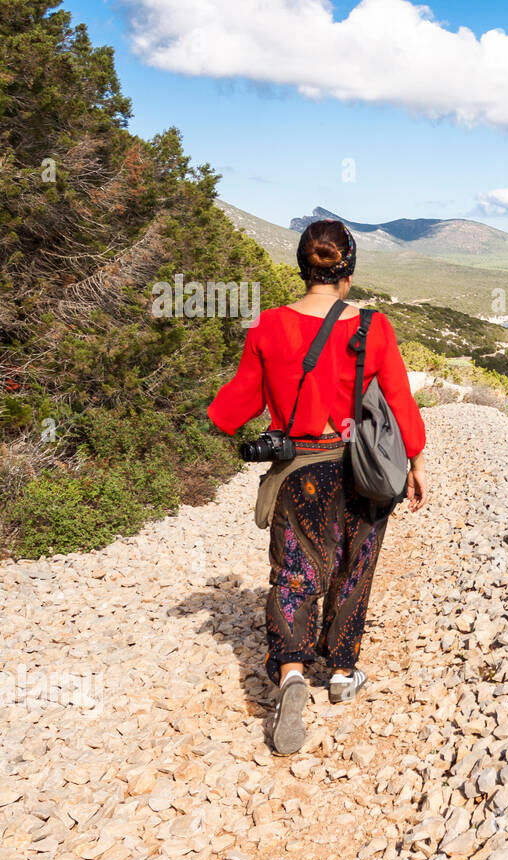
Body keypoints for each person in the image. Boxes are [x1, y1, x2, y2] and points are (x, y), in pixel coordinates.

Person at [207, 219, 427, 755]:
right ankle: (344, 671)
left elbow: (235, 407)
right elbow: (399, 402)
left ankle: (290, 672)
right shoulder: (374, 328)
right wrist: (416, 460)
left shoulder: (268, 326)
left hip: (301, 468)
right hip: (361, 467)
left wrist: (217, 416)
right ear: (347, 271)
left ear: (301, 268)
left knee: (297, 570)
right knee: (356, 564)